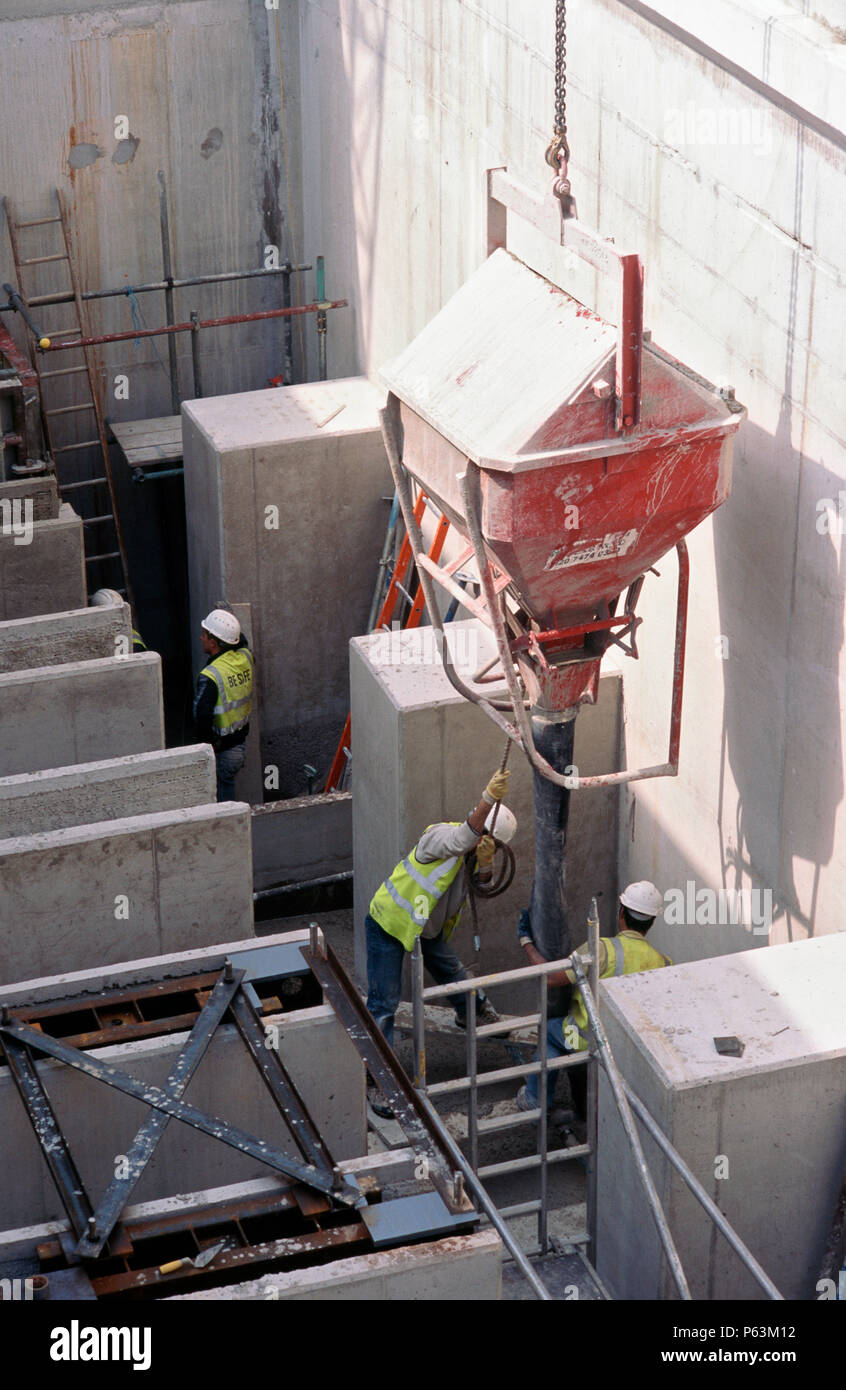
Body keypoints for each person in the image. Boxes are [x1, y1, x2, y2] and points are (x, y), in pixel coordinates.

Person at [365, 769, 517, 1060]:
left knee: (454, 973)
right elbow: (461, 839)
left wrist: (486, 864)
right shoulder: (440, 837)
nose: (488, 848)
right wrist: (488, 798)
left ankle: (472, 1014)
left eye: (494, 847)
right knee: (384, 1003)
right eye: (488, 842)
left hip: (424, 929)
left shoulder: (473, 856)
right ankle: (377, 1075)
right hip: (389, 923)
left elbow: (483, 889)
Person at [515, 881, 672, 1122]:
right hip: (629, 1048)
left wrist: (526, 943)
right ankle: (581, 1112)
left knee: (548, 1031)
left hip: (587, 1038)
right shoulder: (663, 962)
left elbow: (552, 978)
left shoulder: (601, 949)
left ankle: (535, 1099)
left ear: (621, 912)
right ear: (651, 922)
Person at [193, 608, 254, 801]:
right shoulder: (245, 656)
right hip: (240, 743)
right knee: (227, 784)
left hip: (224, 750)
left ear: (214, 642)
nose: (201, 638)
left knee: (223, 794)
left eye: (204, 635)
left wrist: (208, 747)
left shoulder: (211, 675)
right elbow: (241, 640)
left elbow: (201, 716)